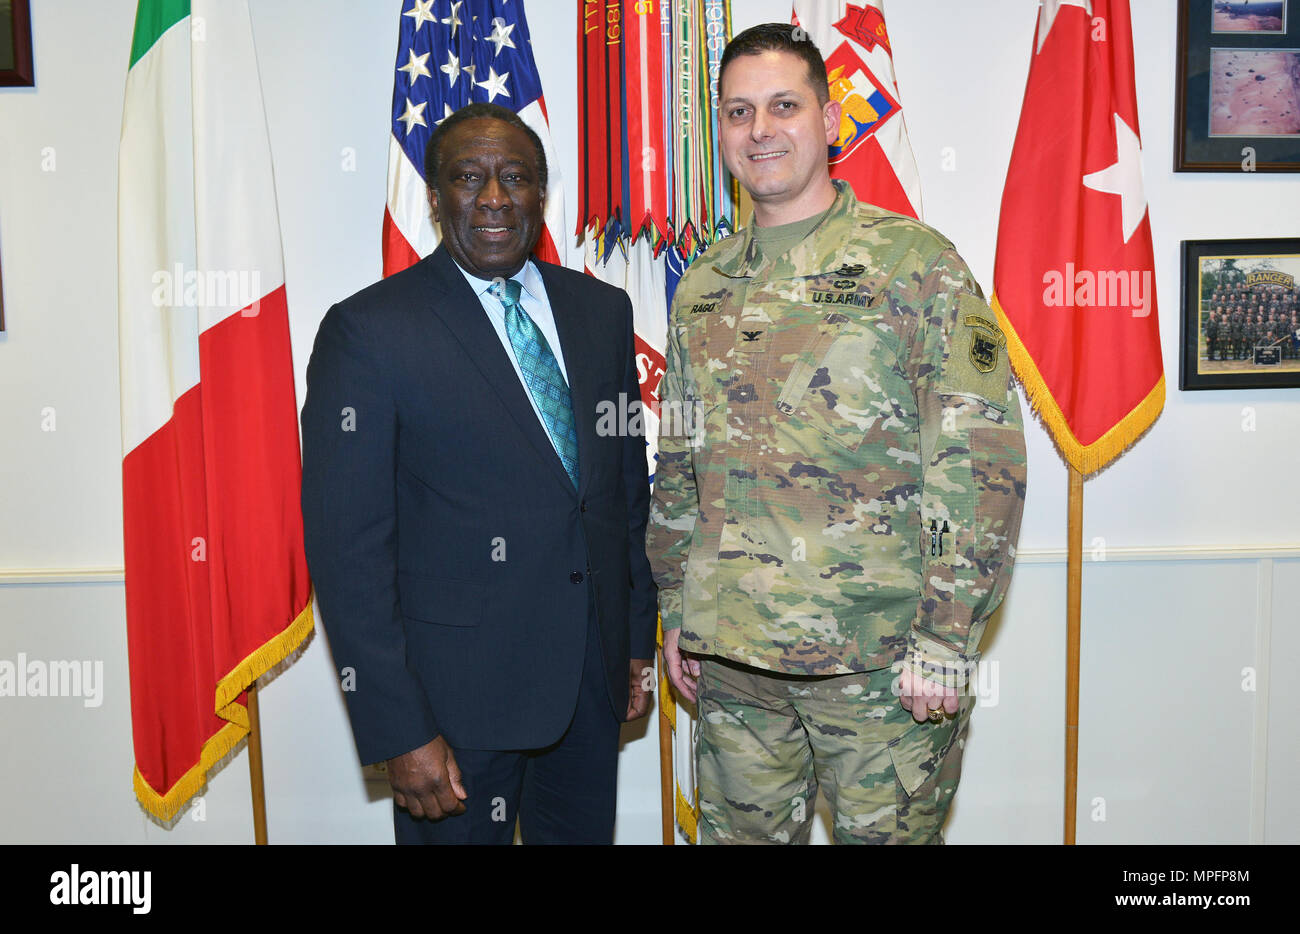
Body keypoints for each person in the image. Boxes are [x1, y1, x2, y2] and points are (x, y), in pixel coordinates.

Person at [646, 24, 1027, 845]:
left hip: (883, 665)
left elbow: (980, 459)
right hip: (735, 666)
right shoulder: (704, 285)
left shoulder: (915, 264)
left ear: (829, 118)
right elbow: (678, 456)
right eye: (739, 111)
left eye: (784, 105)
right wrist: (677, 606)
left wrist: (946, 636)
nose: (761, 130)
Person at [301, 102, 657, 845]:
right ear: (434, 198)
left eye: (515, 178)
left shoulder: (600, 312)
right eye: (469, 177)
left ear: (540, 194)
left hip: (587, 694)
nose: (494, 197)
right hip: (451, 715)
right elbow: (348, 552)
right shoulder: (368, 331)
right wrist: (399, 729)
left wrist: (630, 644)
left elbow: (624, 494)